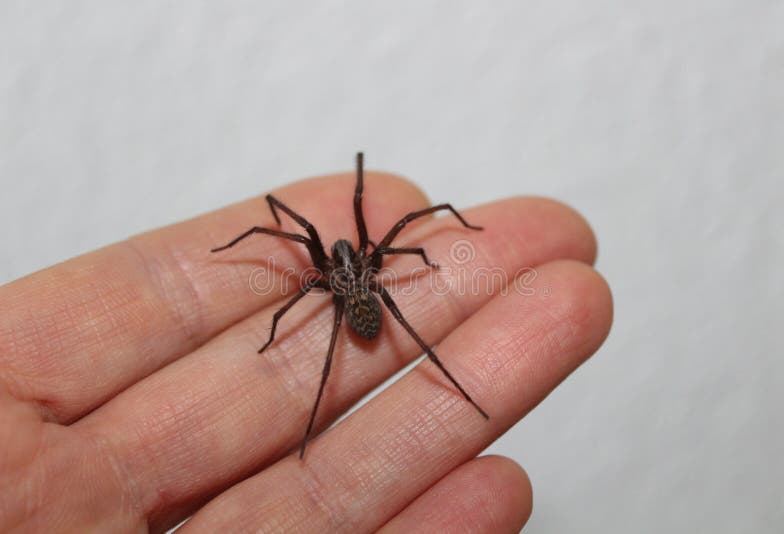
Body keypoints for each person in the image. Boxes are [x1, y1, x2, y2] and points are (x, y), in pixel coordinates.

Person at [0, 170, 612, 532]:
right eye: (343, 259)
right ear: (344, 266)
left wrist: (414, 237)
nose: (343, 254)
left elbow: (399, 236)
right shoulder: (338, 274)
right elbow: (289, 263)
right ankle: (389, 401)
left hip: (363, 308)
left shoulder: (347, 273)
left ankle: (457, 383)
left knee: (407, 311)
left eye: (348, 258)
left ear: (350, 266)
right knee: (332, 343)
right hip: (359, 306)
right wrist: (274, 305)